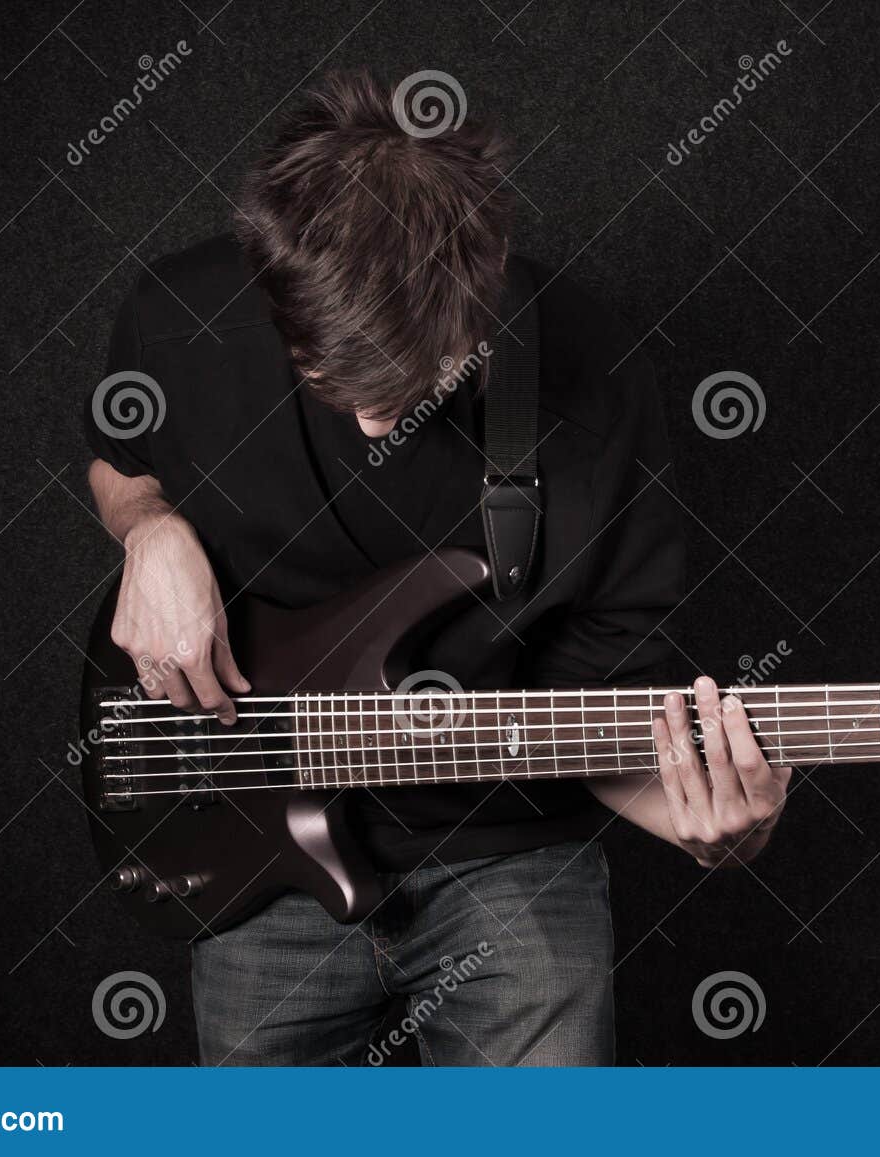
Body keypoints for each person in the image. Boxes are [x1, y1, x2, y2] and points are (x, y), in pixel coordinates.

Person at [84, 69, 788, 1066]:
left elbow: (597, 698)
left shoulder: (591, 368)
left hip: (511, 855)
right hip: (249, 845)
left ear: (484, 285)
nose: (375, 417)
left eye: (415, 372)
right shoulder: (179, 312)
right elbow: (120, 461)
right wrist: (149, 529)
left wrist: (714, 828)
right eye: (334, 379)